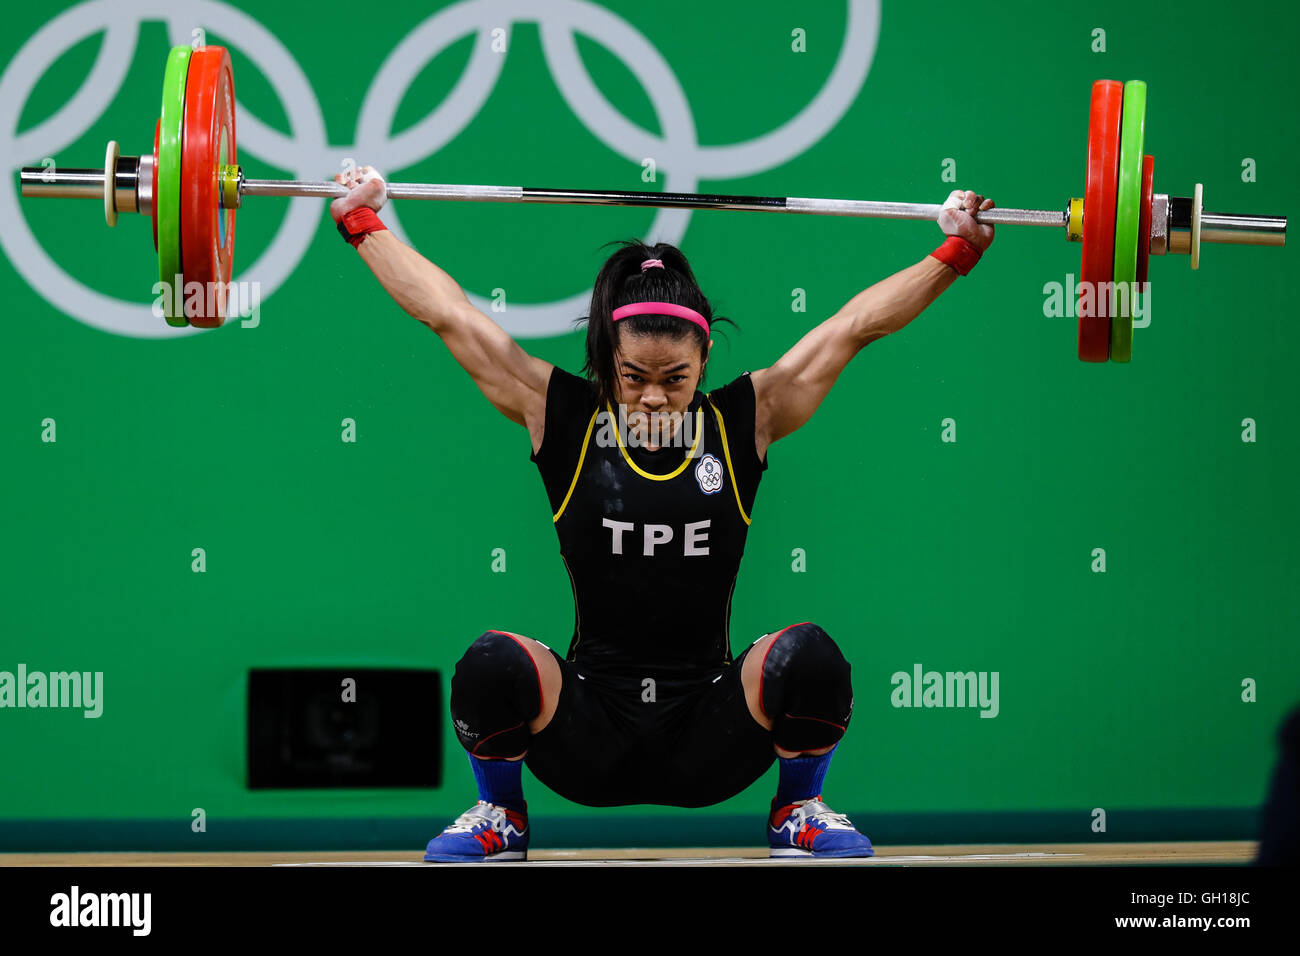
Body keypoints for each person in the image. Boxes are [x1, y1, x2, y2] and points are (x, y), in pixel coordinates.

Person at [329, 165, 995, 861]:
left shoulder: (748, 418)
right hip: (584, 730)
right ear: (607, 362)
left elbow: (854, 327)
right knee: (492, 663)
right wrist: (363, 223)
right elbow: (450, 314)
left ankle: (797, 807)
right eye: (633, 377)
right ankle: (502, 815)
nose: (653, 398)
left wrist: (953, 253)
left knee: (811, 654)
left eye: (674, 379)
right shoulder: (561, 417)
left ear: (703, 359)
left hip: (711, 734)